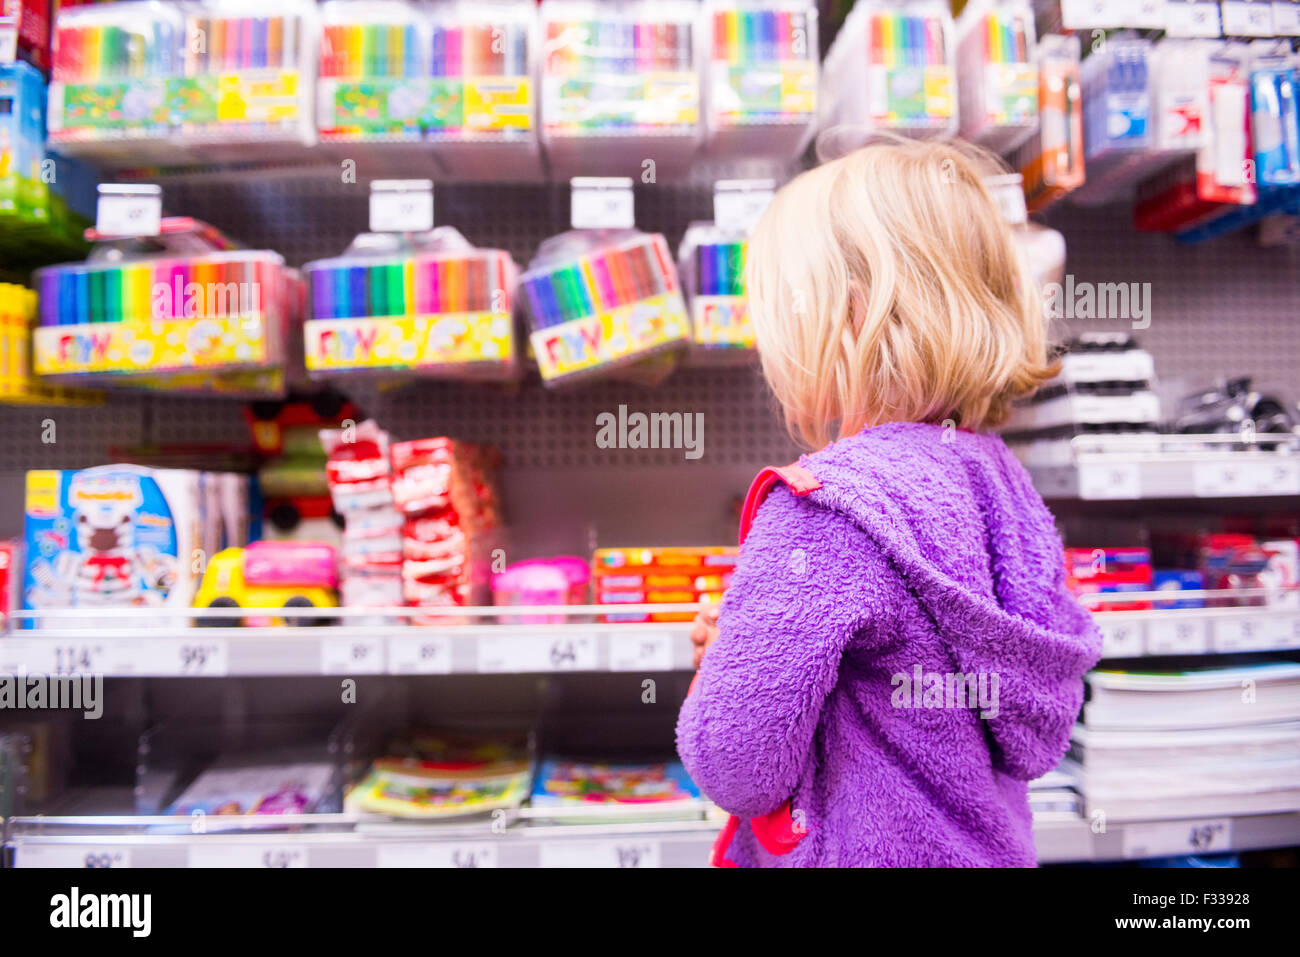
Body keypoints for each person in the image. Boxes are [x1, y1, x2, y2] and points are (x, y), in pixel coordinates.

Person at [675, 139, 1102, 867]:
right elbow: (1035, 732)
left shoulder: (825, 512)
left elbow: (737, 764)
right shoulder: (1002, 483)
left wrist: (725, 665)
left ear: (845, 314)